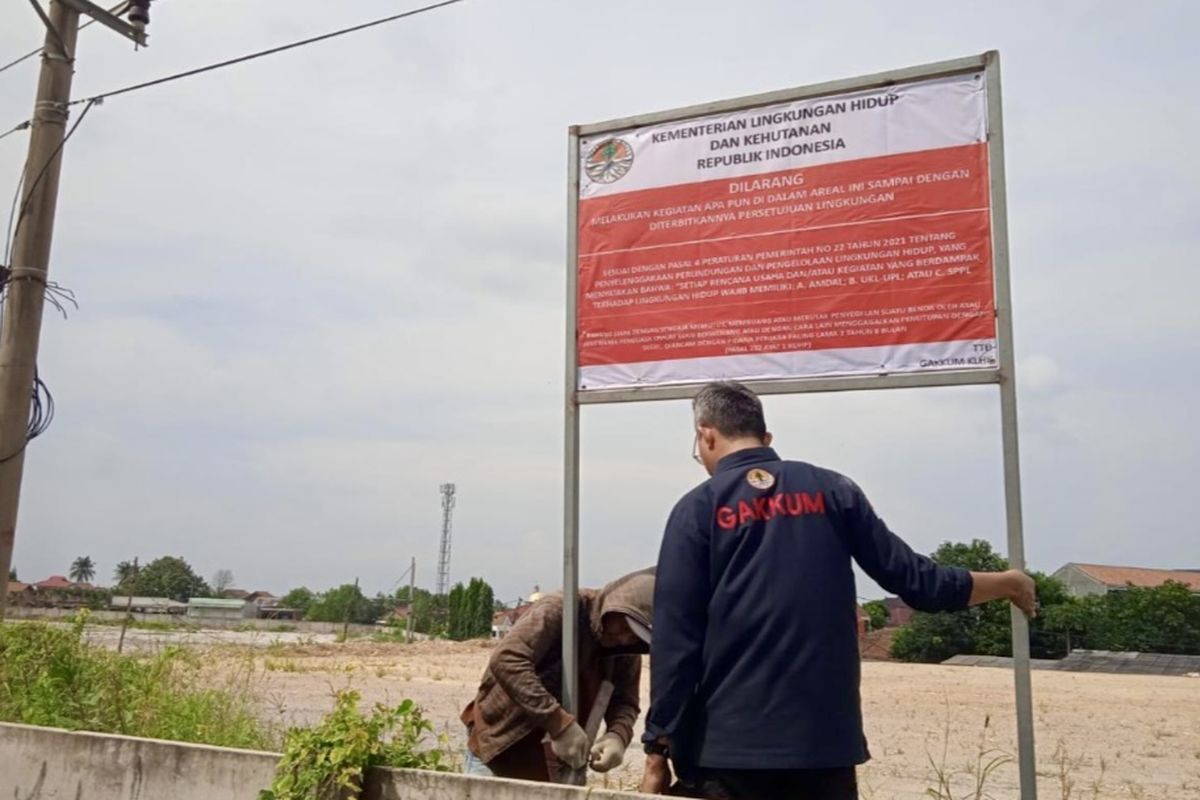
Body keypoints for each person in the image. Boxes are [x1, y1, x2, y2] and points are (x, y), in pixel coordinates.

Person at [639, 381, 1037, 800]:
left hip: (725, 754)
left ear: (706, 434)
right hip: (824, 750)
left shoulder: (697, 509)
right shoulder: (833, 490)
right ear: (765, 438)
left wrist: (656, 746)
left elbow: (676, 641)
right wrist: (1007, 583)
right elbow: (918, 582)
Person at [461, 567, 654, 783]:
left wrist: (618, 735)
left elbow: (625, 702)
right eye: (625, 626)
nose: (625, 637)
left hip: (558, 761)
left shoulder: (626, 650)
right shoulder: (562, 609)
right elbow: (507, 660)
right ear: (613, 607)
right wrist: (558, 723)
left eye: (635, 635)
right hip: (502, 742)